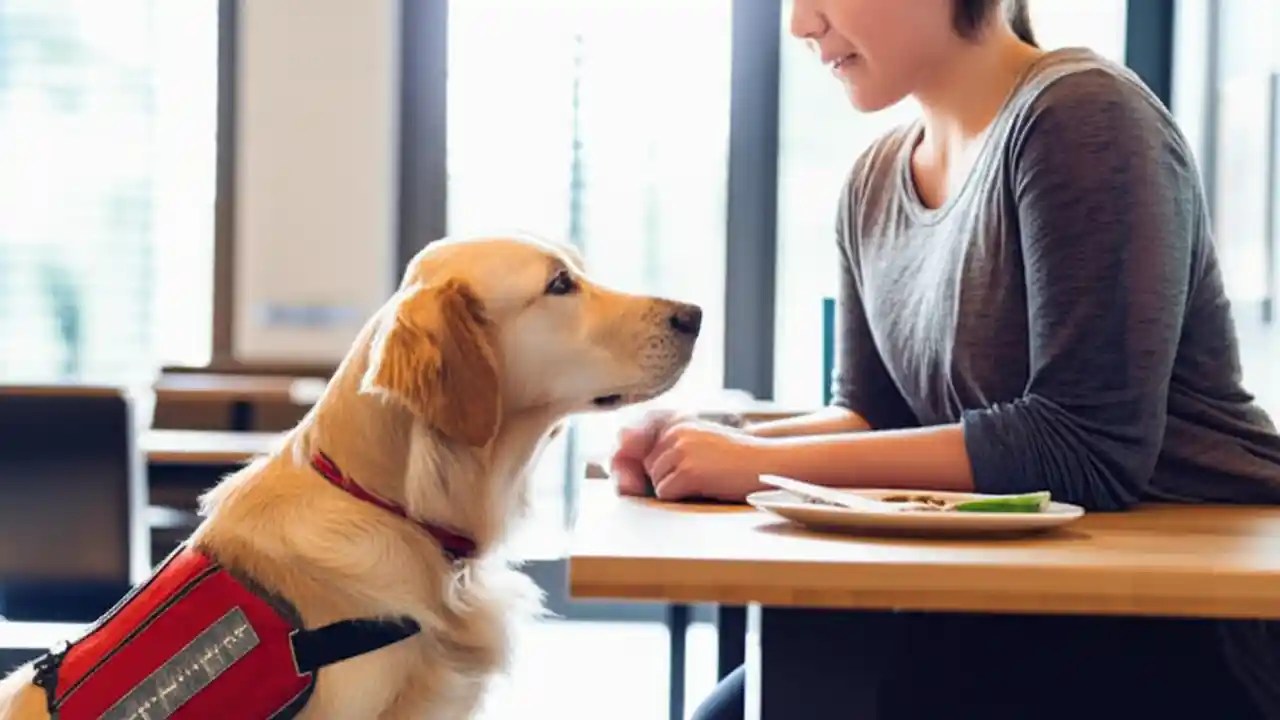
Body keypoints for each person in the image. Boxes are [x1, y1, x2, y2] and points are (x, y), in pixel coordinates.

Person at [610, 0, 1280, 717]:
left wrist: (750, 466)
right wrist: (703, 451)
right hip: (997, 600)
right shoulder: (872, 183)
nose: (801, 24)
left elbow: (1087, 448)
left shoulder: (1083, 117)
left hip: (1184, 627)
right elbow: (876, 420)